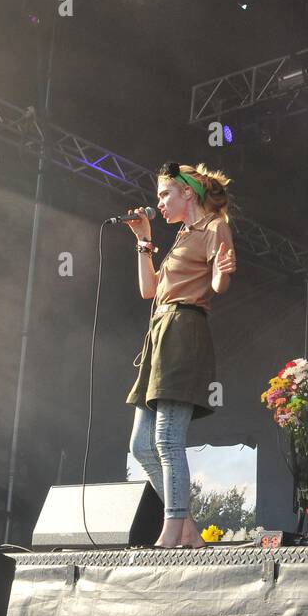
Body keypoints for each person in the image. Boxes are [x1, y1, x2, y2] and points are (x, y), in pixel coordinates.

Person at [123, 162, 237, 549]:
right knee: (141, 446)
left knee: (167, 438)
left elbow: (219, 284)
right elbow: (146, 289)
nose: (159, 202)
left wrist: (222, 272)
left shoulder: (213, 227)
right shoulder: (182, 236)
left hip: (184, 330)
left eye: (165, 194)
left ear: (187, 192)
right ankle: (186, 524)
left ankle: (172, 529)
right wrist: (144, 241)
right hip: (159, 332)